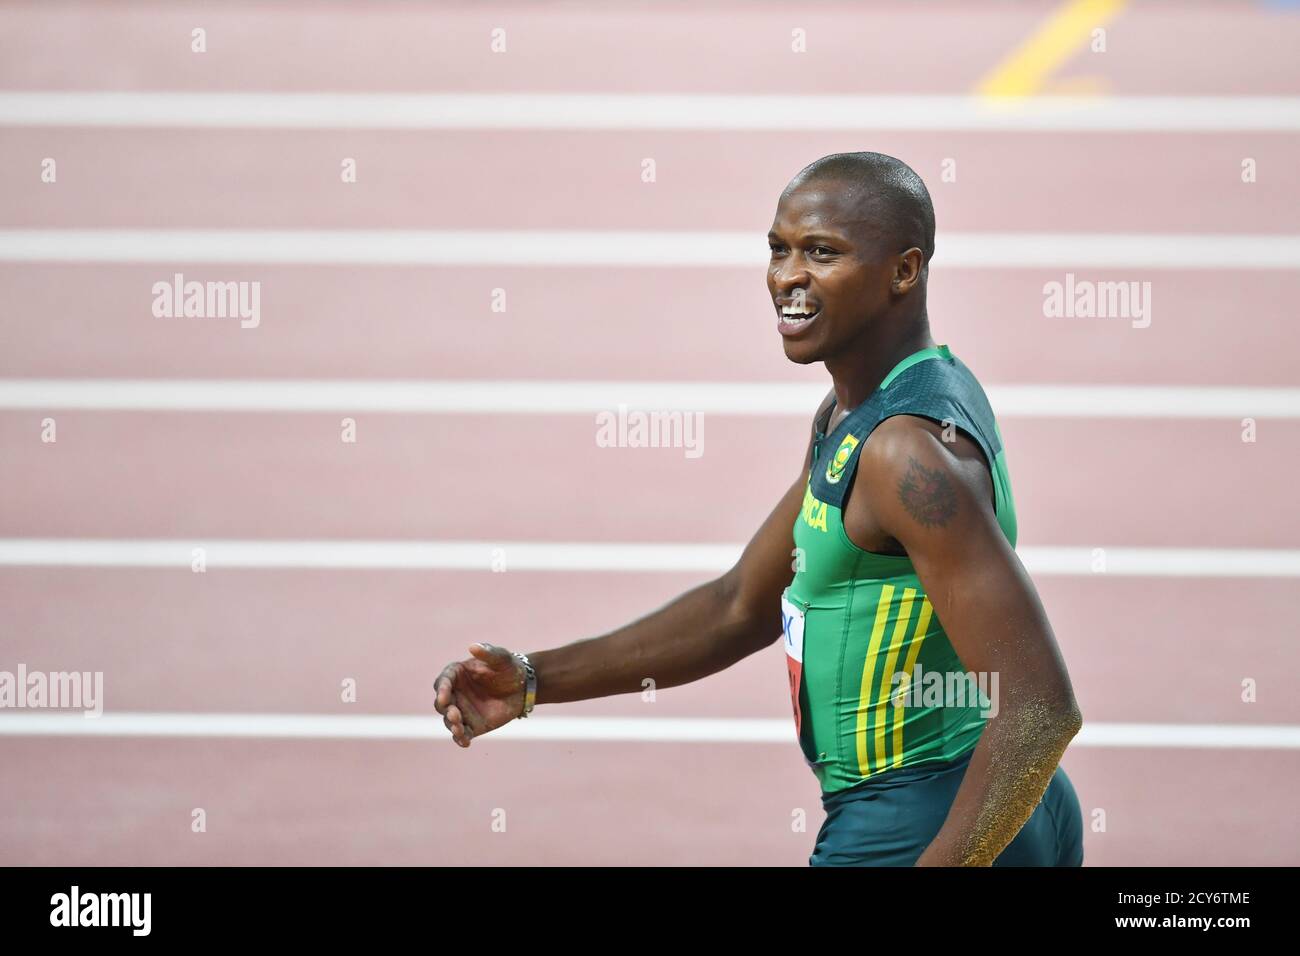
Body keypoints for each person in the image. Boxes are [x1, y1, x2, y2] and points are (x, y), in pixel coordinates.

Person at [434, 152, 1085, 867]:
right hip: (997, 810)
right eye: (779, 250)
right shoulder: (865, 412)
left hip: (920, 824)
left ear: (904, 271)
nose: (788, 278)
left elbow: (1040, 710)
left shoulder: (904, 454)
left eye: (822, 253)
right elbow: (738, 605)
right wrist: (533, 680)